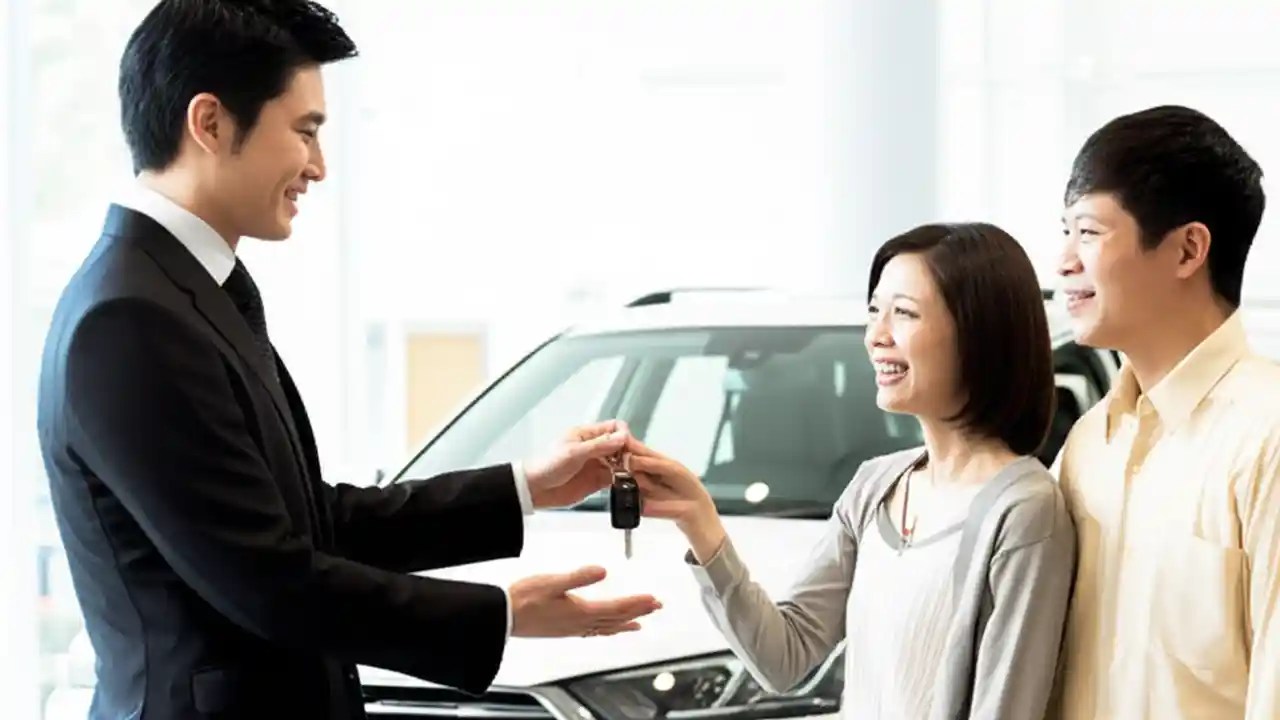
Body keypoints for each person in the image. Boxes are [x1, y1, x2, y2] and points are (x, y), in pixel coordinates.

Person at [35, 2, 660, 719]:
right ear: (209, 123)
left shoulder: (182, 292)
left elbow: (310, 521)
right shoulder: (130, 319)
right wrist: (501, 613)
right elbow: (268, 581)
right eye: (304, 132)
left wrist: (524, 487)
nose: (319, 168)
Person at [623, 222, 1076, 719]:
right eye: (874, 311)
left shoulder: (1024, 509)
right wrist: (698, 521)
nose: (877, 336)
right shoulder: (877, 485)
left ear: (980, 333)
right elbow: (784, 657)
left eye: (904, 313)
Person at [1052, 105, 1280, 720]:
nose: (1064, 262)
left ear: (1187, 250)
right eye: (1065, 232)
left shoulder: (1268, 436)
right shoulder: (1087, 444)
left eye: (1089, 233)